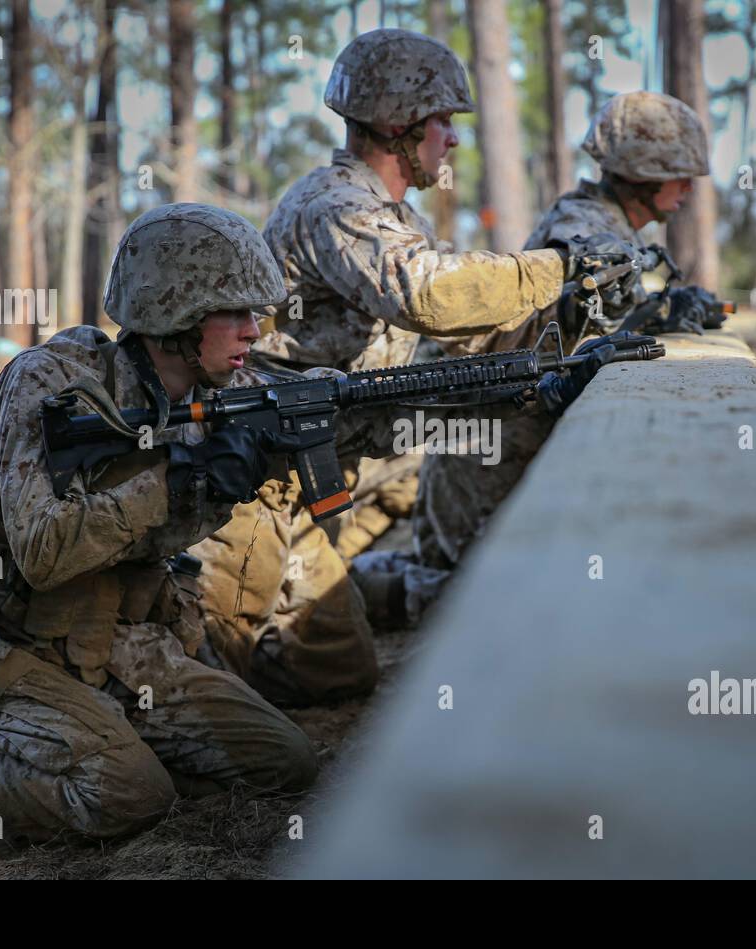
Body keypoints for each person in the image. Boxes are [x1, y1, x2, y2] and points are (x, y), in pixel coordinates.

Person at [0, 204, 318, 859]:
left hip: (118, 644)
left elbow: (333, 411)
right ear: (177, 314)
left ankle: (93, 745)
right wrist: (172, 479)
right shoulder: (52, 382)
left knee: (285, 764)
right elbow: (42, 553)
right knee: (128, 796)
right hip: (1, 643)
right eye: (235, 312)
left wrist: (325, 416)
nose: (254, 329)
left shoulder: (220, 392)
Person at [195, 28, 606, 706]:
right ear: (397, 124)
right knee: (278, 667)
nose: (454, 139)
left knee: (340, 659)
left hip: (330, 457)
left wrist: (561, 350)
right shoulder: (337, 207)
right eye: (443, 121)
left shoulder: (392, 217)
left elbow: (464, 333)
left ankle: (357, 587)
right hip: (262, 477)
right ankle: (220, 628)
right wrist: (557, 268)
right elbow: (430, 296)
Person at [412, 91, 720, 574]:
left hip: (507, 441)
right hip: (489, 453)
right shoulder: (585, 222)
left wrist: (659, 309)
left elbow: (596, 321)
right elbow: (586, 282)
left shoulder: (615, 225)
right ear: (644, 171)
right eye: (680, 173)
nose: (689, 187)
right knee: (473, 594)